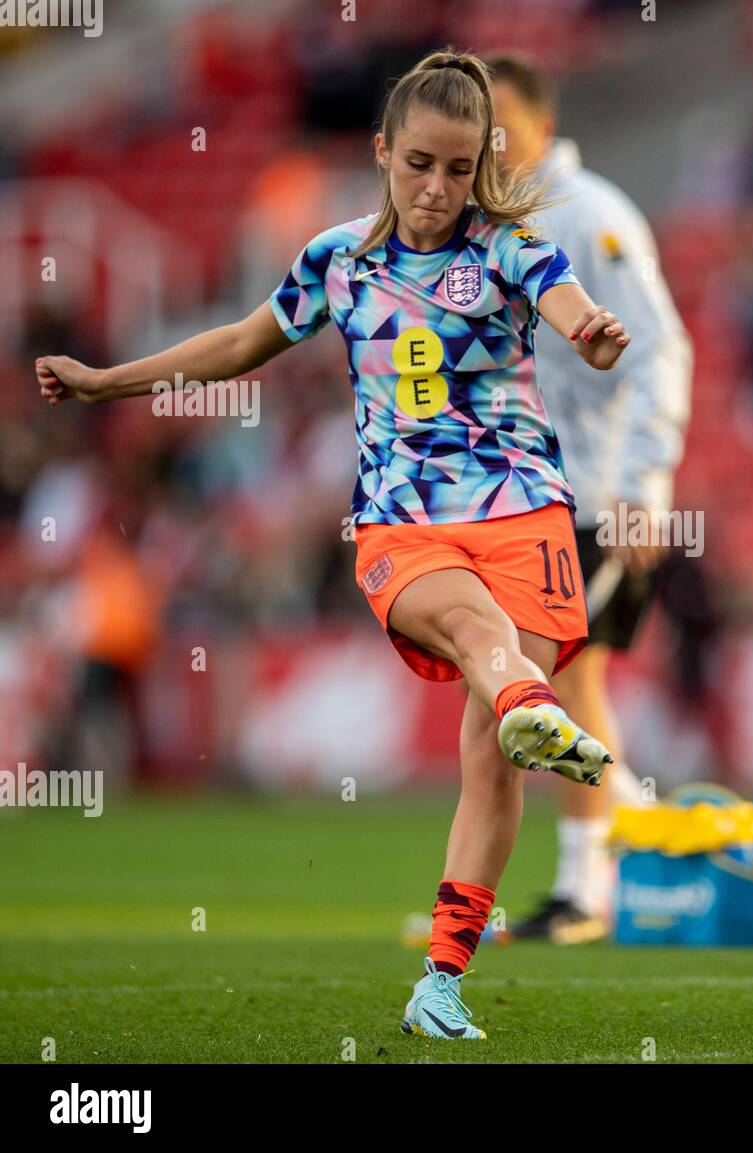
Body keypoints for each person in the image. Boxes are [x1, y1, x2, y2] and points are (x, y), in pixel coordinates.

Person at [35, 48, 632, 1042]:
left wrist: (591, 333)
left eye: (457, 168)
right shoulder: (337, 261)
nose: (436, 187)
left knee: (491, 760)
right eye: (419, 164)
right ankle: (527, 697)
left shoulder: (509, 249)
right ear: (382, 152)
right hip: (403, 522)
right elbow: (239, 343)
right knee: (485, 647)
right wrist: (108, 381)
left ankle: (441, 980)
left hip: (523, 514)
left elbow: (572, 308)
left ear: (481, 165)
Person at [486, 53, 693, 943]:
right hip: (521, 497)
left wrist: (645, 481)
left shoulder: (593, 217)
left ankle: (583, 888)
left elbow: (660, 349)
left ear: (541, 126)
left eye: (498, 125)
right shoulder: (487, 224)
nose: (485, 143)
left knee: (562, 679)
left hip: (593, 496)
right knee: (531, 682)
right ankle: (654, 831)